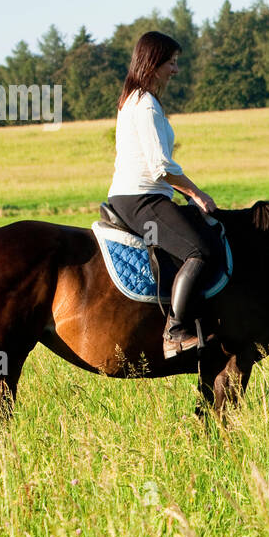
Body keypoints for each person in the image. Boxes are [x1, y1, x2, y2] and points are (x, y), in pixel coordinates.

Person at [107, 31, 220, 358]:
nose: (176, 70)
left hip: (140, 195)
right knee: (200, 251)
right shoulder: (145, 105)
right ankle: (175, 332)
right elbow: (161, 166)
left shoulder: (136, 100)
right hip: (142, 199)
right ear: (153, 64)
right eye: (171, 63)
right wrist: (196, 194)